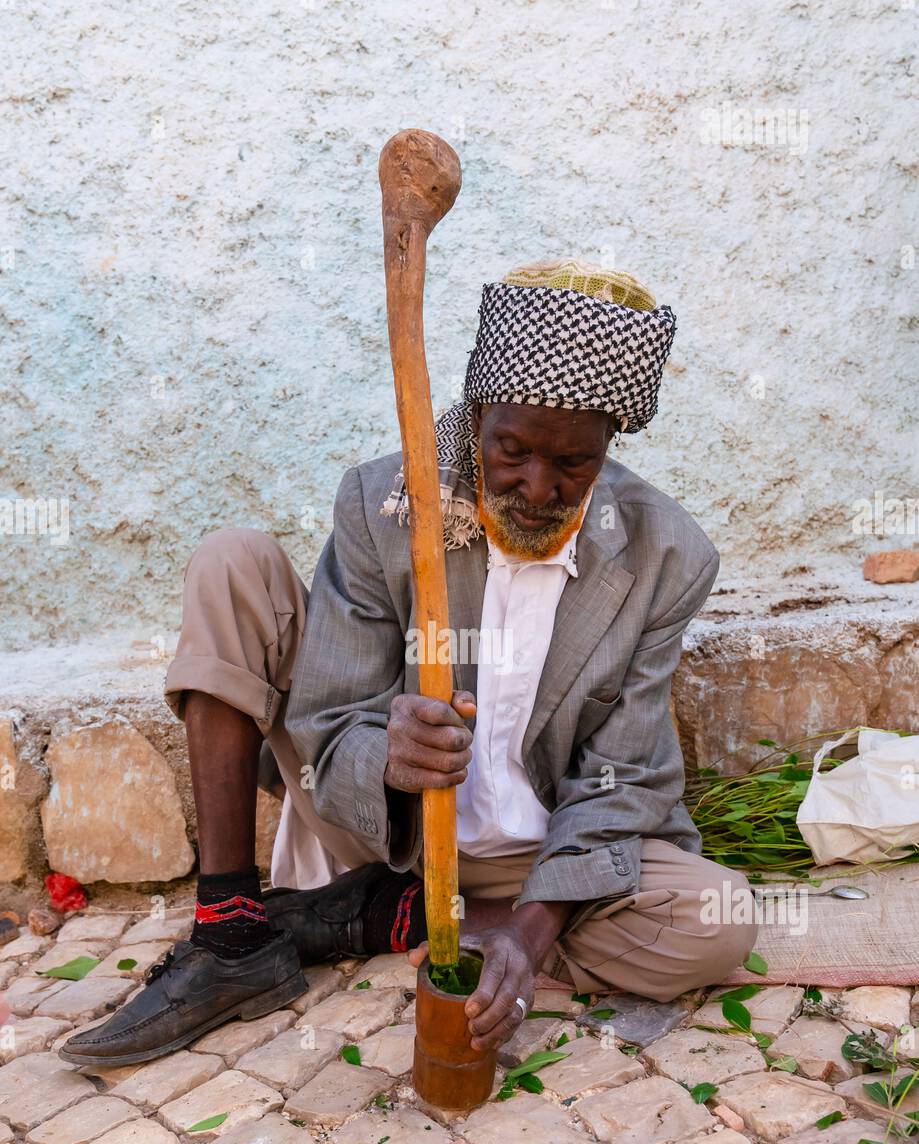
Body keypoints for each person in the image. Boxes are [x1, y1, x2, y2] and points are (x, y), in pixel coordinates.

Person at [60, 261, 756, 1069]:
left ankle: (375, 920)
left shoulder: (666, 554)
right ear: (477, 418)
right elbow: (326, 713)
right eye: (511, 450)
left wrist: (527, 945)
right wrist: (385, 757)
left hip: (532, 855)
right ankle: (233, 934)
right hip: (375, 821)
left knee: (715, 917)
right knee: (232, 561)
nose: (535, 488)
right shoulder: (385, 503)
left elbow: (625, 784)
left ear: (610, 444)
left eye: (573, 464)